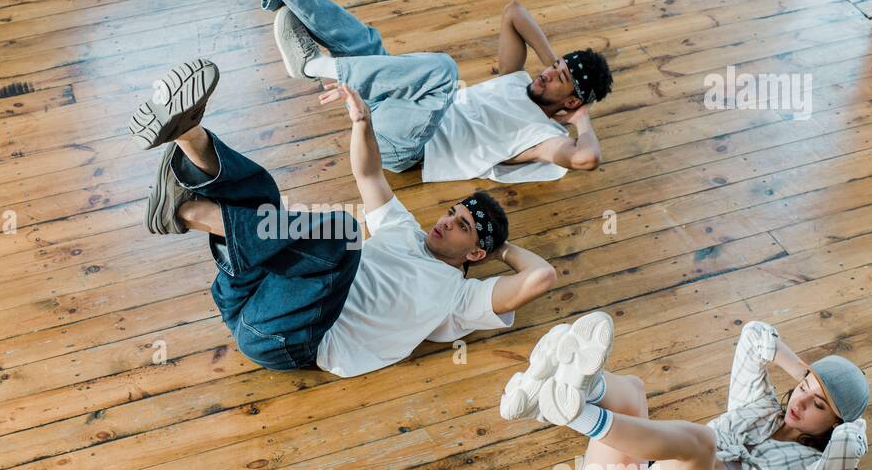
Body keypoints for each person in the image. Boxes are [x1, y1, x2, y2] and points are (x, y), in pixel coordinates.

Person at [129, 57, 558, 378]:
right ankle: (189, 136)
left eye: (462, 226)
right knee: (269, 204)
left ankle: (189, 211)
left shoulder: (460, 299)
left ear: (476, 252)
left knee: (342, 232)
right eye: (452, 212)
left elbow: (541, 278)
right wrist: (362, 122)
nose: (446, 221)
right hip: (249, 294)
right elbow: (368, 173)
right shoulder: (404, 231)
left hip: (290, 338)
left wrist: (501, 250)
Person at [239, 0, 612, 184]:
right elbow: (513, 12)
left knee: (445, 71)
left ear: (572, 100)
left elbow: (586, 159)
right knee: (368, 42)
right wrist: (556, 59)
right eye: (553, 67)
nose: (546, 72)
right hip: (399, 106)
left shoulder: (544, 138)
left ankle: (312, 68)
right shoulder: (519, 81)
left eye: (558, 77)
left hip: (407, 146)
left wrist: (582, 119)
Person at [500, 312, 870, 470]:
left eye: (818, 404)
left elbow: (849, 445)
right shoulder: (760, 406)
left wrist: (845, 409)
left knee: (702, 445)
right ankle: (555, 395)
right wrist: (810, 373)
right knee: (631, 391)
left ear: (836, 423)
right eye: (803, 387)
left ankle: (571, 411)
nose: (801, 401)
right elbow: (754, 335)